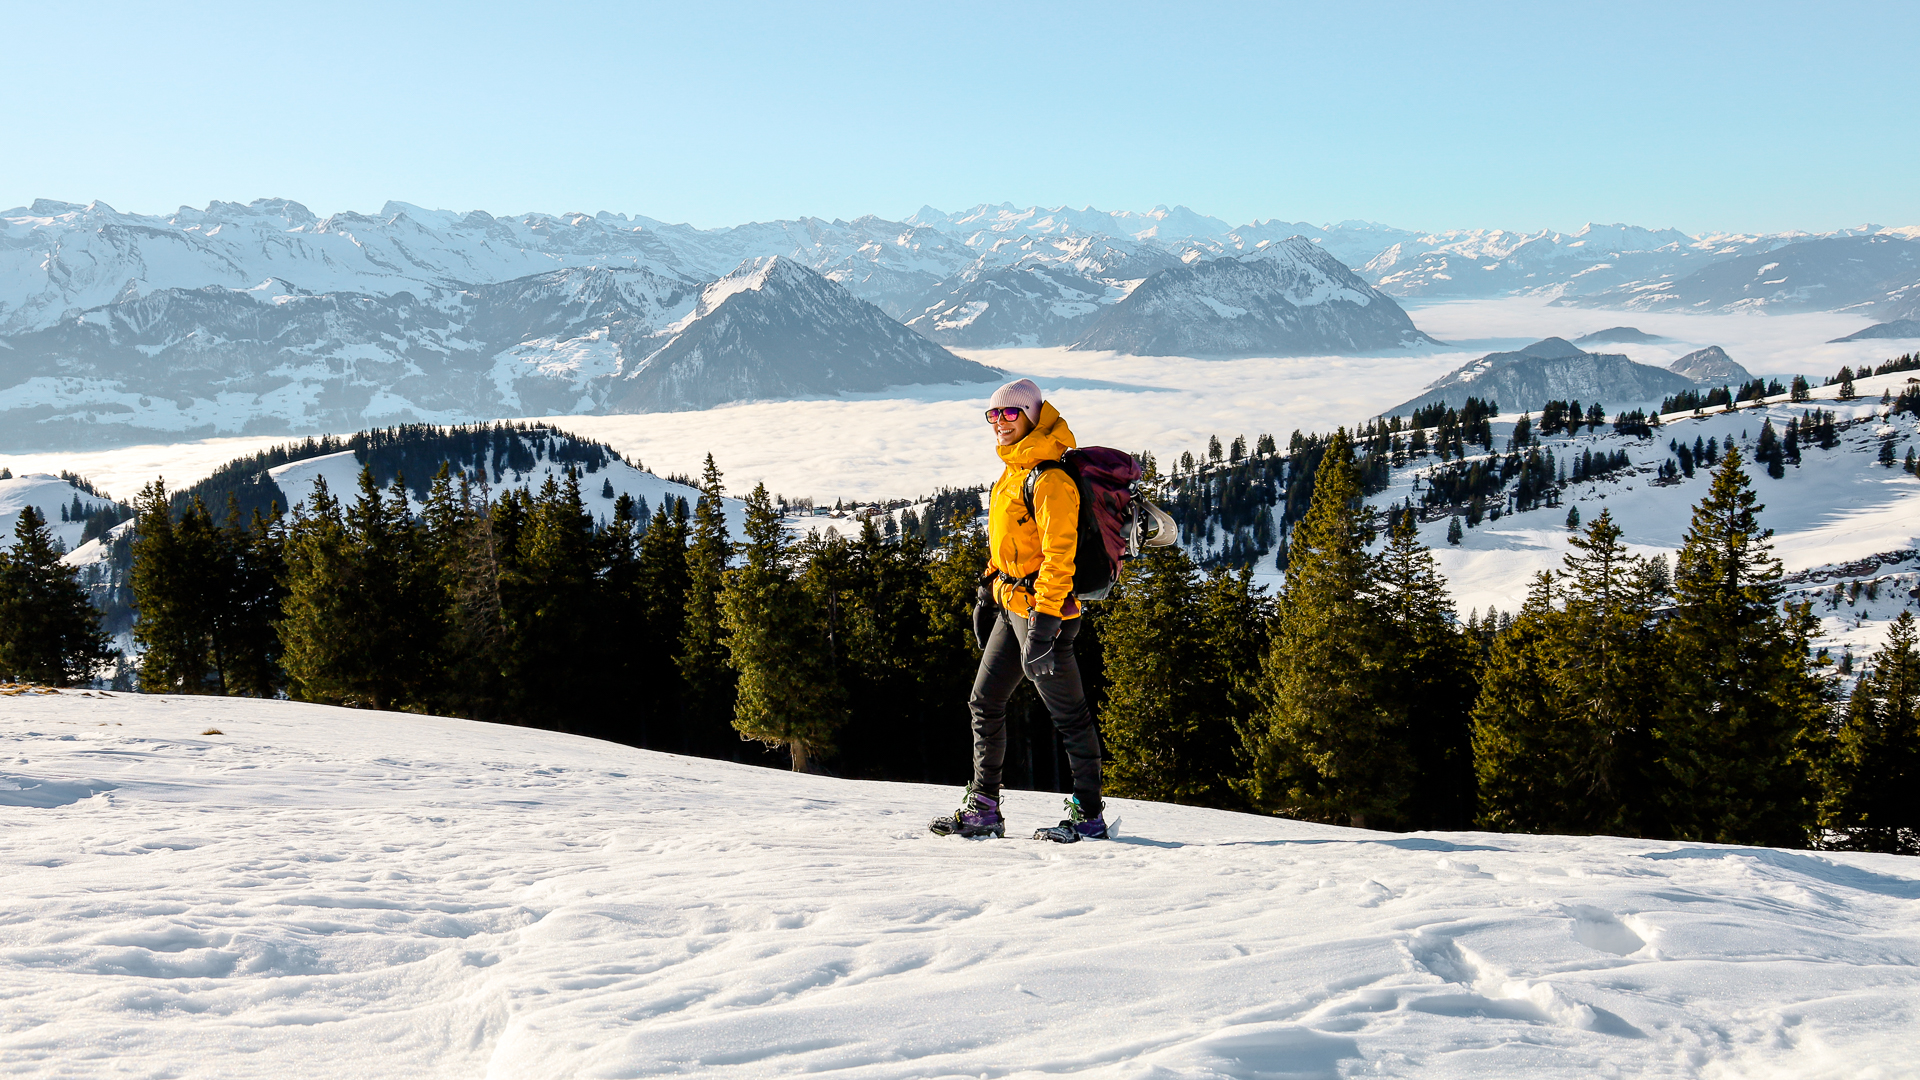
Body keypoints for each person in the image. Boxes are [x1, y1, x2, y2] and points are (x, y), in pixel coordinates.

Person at [929, 378, 1108, 842]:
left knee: (1069, 718)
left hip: (1044, 616)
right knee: (984, 702)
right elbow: (1009, 547)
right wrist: (989, 590)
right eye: (992, 416)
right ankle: (985, 808)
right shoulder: (1013, 471)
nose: (1000, 424)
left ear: (1031, 415)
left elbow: (1058, 557)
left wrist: (1045, 627)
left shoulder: (1049, 479)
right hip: (1011, 609)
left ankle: (1089, 814)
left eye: (1009, 414)